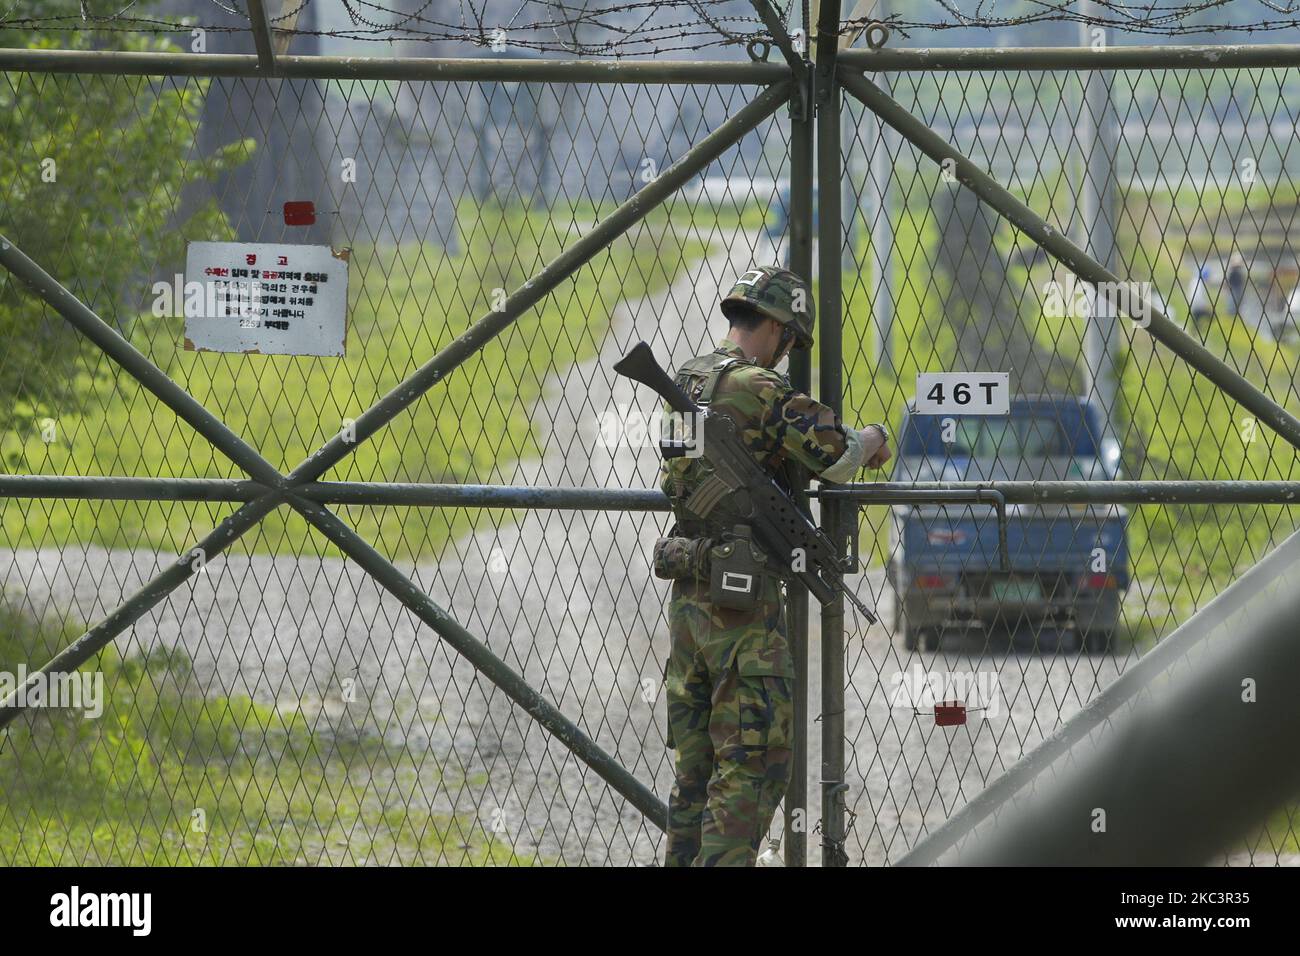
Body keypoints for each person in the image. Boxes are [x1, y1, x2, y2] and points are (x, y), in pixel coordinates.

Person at [656, 265, 890, 867]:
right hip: (744, 613)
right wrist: (873, 437)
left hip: (690, 602)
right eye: (791, 342)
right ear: (781, 330)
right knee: (751, 775)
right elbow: (837, 461)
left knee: (694, 779)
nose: (789, 355)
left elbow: (679, 481)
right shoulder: (761, 390)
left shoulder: (690, 379)